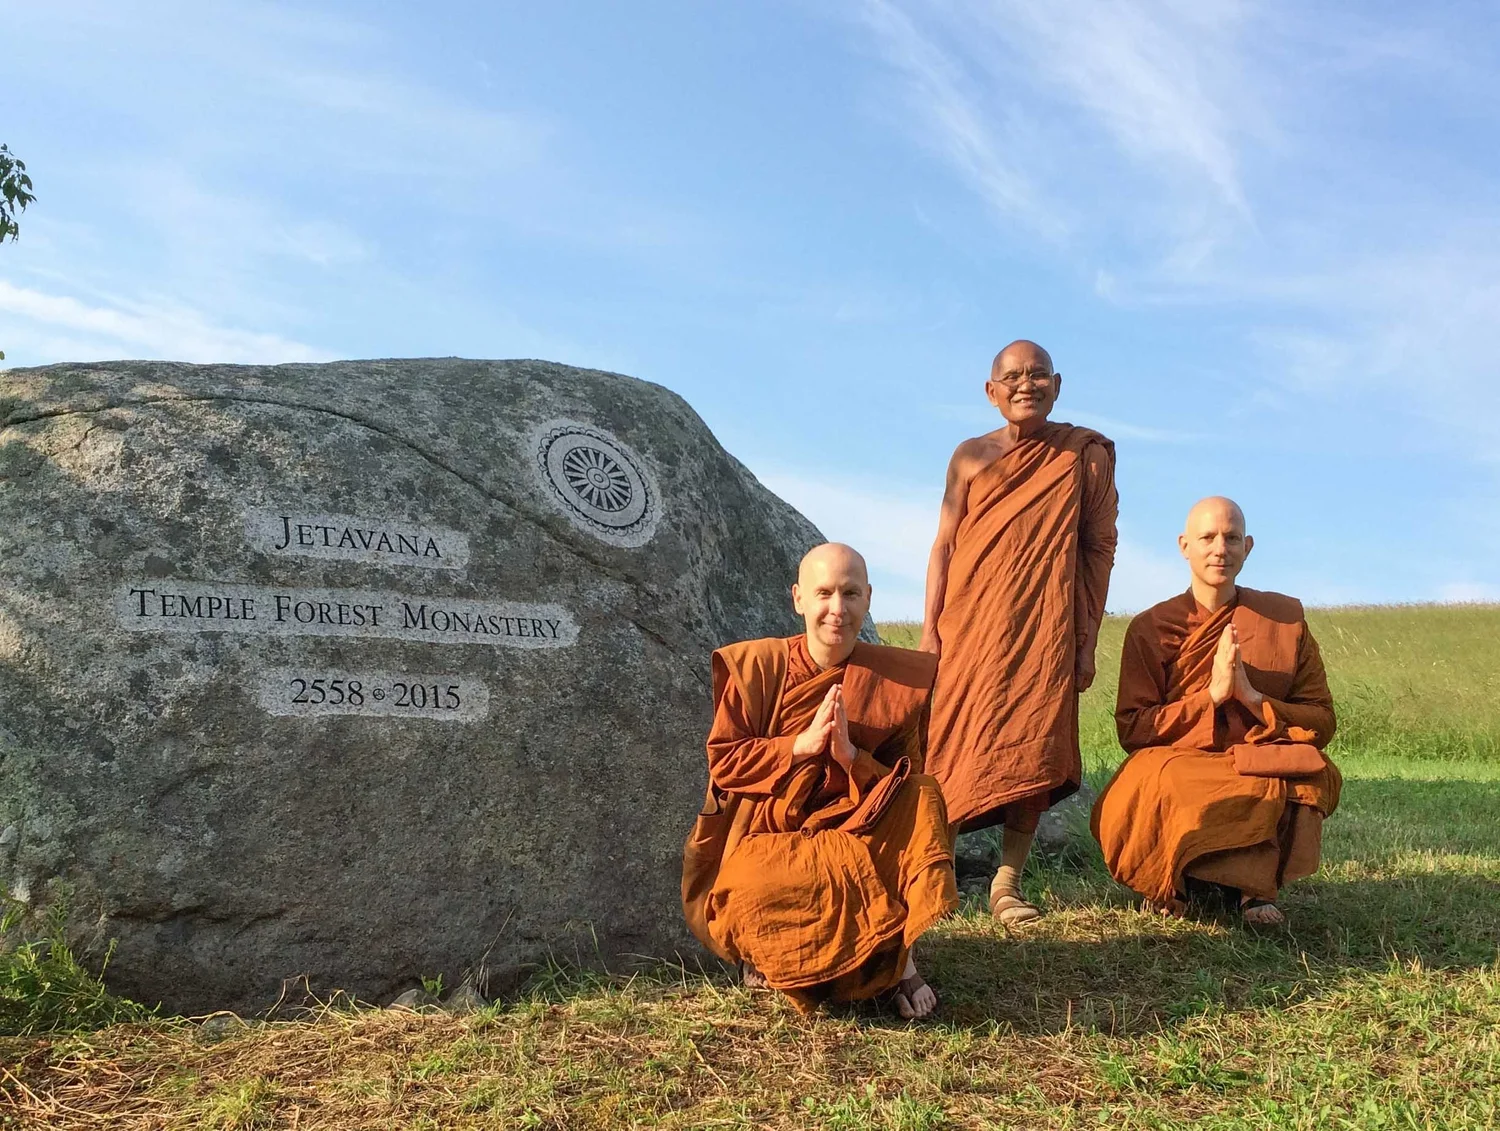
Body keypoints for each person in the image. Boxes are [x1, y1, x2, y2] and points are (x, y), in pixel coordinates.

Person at [682, 543, 958, 1018]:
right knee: (747, 887)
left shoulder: (893, 677)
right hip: (774, 835)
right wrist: (798, 747)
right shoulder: (757, 669)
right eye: (823, 592)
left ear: (868, 598)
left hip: (857, 824)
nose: (837, 609)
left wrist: (851, 757)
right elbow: (725, 763)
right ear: (798, 599)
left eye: (850, 593)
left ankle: (899, 964)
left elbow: (905, 778)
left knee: (924, 798)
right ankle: (772, 955)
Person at [920, 340, 1117, 924]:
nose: (1025, 384)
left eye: (1037, 375)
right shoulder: (970, 456)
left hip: (1045, 627)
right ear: (992, 391)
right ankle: (938, 870)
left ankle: (1007, 881)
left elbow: (1098, 547)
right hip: (968, 624)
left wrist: (1084, 641)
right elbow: (944, 545)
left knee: (1034, 742)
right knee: (951, 742)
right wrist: (930, 629)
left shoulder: (1083, 455)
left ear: (1057, 385)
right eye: (1013, 376)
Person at [1091, 497, 1341, 925]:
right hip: (1182, 755)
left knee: (1308, 775)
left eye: (1230, 538)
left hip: (1257, 751)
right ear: (1184, 546)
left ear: (1248, 546)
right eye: (1207, 537)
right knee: (1163, 778)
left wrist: (1253, 699)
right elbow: (1134, 728)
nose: (1219, 548)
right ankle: (1172, 878)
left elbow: (1321, 718)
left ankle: (1253, 888)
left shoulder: (1284, 619)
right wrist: (1210, 697)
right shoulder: (1151, 627)